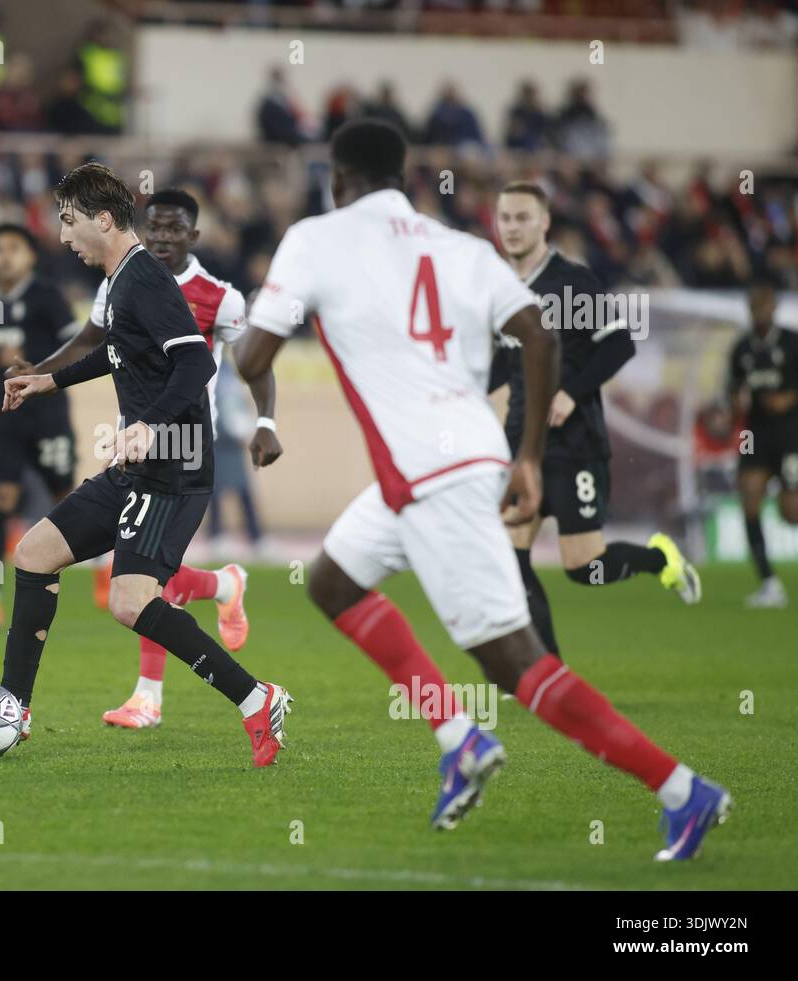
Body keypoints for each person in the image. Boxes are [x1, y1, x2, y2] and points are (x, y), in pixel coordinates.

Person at [236, 119, 730, 859]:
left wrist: (245, 349)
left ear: (338, 180)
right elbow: (540, 335)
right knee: (333, 580)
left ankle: (683, 790)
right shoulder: (462, 247)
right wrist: (527, 458)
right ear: (401, 178)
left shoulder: (316, 236)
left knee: (517, 663)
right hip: (453, 462)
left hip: (434, 481)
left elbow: (254, 353)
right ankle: (457, 734)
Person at [0, 163, 291, 767]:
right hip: (141, 465)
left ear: (104, 219)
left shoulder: (145, 281)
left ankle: (257, 698)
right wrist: (52, 379)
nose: (63, 237)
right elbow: (118, 352)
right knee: (34, 552)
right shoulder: (121, 280)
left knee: (130, 602)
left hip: (174, 469)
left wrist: (151, 425)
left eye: (70, 222)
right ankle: (14, 709)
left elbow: (196, 367)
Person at [490, 181, 700, 663]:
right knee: (507, 556)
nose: (513, 227)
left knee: (584, 567)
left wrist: (571, 392)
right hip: (522, 441)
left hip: (574, 444)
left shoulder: (572, 281)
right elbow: (505, 361)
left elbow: (619, 344)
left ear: (544, 223)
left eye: (523, 218)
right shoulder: (497, 287)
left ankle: (658, 559)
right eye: (505, 218)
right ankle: (547, 670)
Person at [0, 224, 80, 627]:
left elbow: (78, 347)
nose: (4, 256)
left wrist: (37, 366)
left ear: (30, 256)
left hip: (47, 413)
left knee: (67, 496)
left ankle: (106, 566)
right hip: (3, 414)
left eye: (13, 248)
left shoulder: (47, 297)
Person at [728, 281, 798, 608]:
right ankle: (769, 582)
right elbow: (733, 392)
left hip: (790, 433)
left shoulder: (792, 343)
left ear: (774, 307)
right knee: (749, 494)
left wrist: (788, 398)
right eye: (755, 306)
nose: (761, 312)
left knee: (791, 513)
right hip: (753, 433)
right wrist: (733, 403)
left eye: (766, 305)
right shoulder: (741, 349)